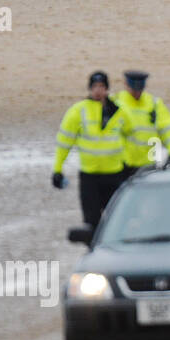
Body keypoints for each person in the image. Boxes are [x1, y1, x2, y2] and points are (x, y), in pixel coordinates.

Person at [52, 72, 132, 227]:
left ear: (107, 89)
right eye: (94, 87)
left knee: (116, 221)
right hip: (90, 177)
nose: (98, 91)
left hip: (114, 174)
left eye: (101, 86)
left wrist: (130, 164)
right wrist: (57, 169)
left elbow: (132, 138)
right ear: (89, 89)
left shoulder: (119, 111)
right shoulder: (78, 111)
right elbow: (64, 142)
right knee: (91, 221)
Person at [113, 70, 170, 179]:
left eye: (140, 89)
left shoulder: (154, 104)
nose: (137, 93)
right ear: (126, 85)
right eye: (133, 89)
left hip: (148, 164)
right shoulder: (115, 102)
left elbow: (169, 129)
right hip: (121, 164)